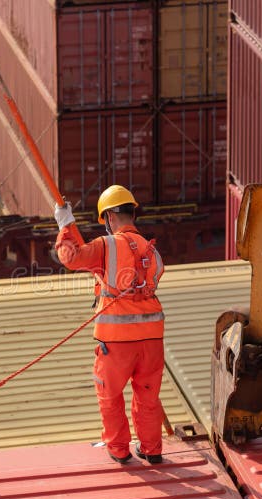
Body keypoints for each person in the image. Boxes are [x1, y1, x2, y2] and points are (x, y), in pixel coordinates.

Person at [54, 185, 166, 464]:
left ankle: (119, 449)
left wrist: (65, 226)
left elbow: (72, 257)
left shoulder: (107, 246)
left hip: (116, 342)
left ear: (109, 218)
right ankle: (152, 450)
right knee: (147, 397)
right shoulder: (153, 252)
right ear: (132, 214)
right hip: (152, 340)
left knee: (110, 395)